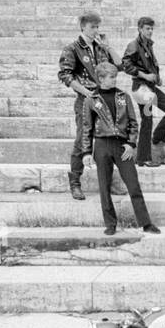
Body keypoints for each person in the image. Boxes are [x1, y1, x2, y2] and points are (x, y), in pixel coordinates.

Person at [80, 62, 160, 237]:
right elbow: (87, 128)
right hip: (101, 145)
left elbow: (133, 123)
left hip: (122, 146)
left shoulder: (123, 96)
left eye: (115, 76)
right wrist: (86, 152)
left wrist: (131, 144)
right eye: (111, 77)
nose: (114, 80)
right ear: (101, 79)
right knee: (104, 186)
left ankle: (145, 223)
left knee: (133, 185)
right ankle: (110, 223)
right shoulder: (91, 100)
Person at [58, 11, 114, 201]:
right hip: (85, 99)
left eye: (97, 26)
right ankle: (75, 181)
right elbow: (66, 75)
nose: (96, 30)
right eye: (92, 27)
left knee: (107, 139)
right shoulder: (72, 48)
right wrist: (85, 92)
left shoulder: (100, 48)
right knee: (82, 139)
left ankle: (108, 181)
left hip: (103, 98)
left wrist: (108, 46)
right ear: (83, 27)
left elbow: (119, 65)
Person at [121, 16, 165, 161]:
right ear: (140, 29)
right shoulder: (134, 45)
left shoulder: (148, 44)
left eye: (151, 28)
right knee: (147, 119)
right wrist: (145, 76)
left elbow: (149, 65)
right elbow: (126, 65)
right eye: (147, 28)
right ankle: (143, 158)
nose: (150, 31)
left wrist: (157, 78)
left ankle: (158, 137)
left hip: (150, 88)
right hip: (142, 89)